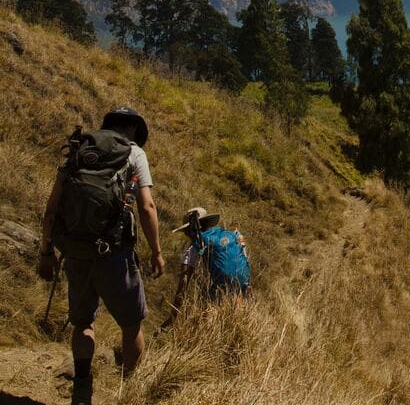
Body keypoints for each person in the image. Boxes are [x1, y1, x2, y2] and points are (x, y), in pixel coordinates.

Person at [37, 107, 165, 405]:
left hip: (76, 252)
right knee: (131, 324)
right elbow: (147, 207)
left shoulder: (81, 149)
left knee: (83, 323)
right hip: (115, 253)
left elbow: (52, 206)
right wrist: (157, 252)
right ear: (133, 129)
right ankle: (132, 392)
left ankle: (82, 385)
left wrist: (46, 251)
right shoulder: (134, 153)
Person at [161, 206, 251, 330]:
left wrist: (173, 316)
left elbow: (183, 284)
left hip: (218, 290)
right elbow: (244, 260)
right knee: (235, 324)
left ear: (189, 231)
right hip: (240, 287)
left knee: (204, 324)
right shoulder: (230, 236)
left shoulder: (194, 248)